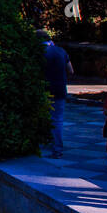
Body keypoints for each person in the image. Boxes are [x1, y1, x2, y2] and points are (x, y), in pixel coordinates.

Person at [38, 28, 72, 158]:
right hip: (60, 89)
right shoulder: (61, 51)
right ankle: (57, 148)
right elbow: (71, 70)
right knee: (57, 120)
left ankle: (47, 145)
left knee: (44, 118)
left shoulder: (39, 52)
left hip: (45, 90)